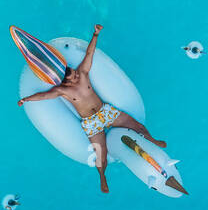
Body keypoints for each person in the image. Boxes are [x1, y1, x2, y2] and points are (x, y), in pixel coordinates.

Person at [17, 24, 166, 194]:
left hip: (106, 112)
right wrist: (25, 99)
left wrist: (95, 34)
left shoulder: (82, 74)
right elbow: (44, 96)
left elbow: (89, 54)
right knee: (101, 153)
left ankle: (152, 140)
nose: (76, 73)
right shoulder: (62, 91)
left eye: (74, 71)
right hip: (90, 123)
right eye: (73, 75)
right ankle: (102, 177)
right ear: (66, 81)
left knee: (138, 126)